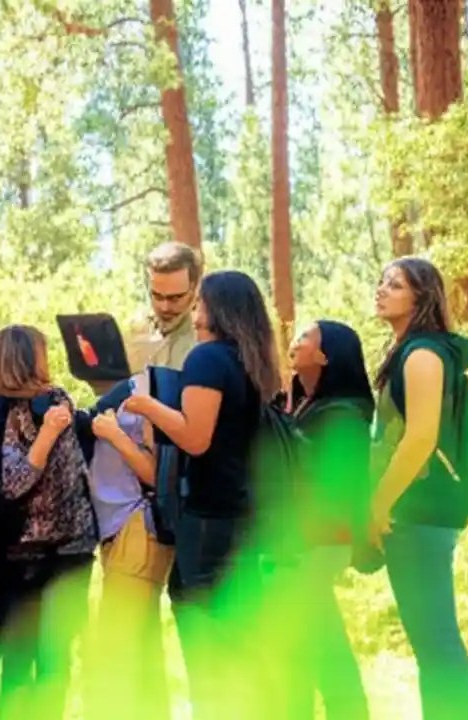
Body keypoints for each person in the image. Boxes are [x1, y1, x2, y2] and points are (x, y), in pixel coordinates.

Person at [121, 269, 282, 720]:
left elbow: (195, 437)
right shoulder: (253, 361)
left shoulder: (207, 359)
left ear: (216, 308)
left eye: (199, 301)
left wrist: (148, 404)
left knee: (201, 622)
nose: (193, 309)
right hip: (244, 510)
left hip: (209, 511)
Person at [369, 257, 468, 720]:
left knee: (436, 640)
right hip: (415, 515)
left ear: (421, 297)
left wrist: (378, 504)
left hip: (418, 514)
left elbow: (420, 437)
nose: (381, 289)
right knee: (431, 640)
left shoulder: (423, 355)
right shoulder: (409, 352)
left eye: (394, 285)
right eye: (381, 281)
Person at [0, 326, 97, 720]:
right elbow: (19, 483)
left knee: (13, 663)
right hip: (60, 552)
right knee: (53, 663)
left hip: (10, 553)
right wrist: (49, 435)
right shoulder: (49, 404)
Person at [259, 320, 374, 720]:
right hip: (299, 544)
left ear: (324, 356)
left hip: (320, 543)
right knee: (309, 645)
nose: (294, 340)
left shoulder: (345, 416)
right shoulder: (302, 405)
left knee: (318, 647)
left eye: (306, 337)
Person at [84, 371, 175, 720]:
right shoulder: (129, 386)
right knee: (143, 651)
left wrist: (114, 434)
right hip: (119, 529)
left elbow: (157, 473)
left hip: (136, 526)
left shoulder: (156, 389)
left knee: (115, 651)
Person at [125, 241, 203, 374]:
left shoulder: (205, 337)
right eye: (157, 296)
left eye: (175, 298)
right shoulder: (135, 332)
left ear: (194, 289)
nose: (165, 307)